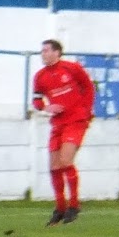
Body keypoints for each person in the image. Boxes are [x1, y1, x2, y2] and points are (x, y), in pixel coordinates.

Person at [32, 38, 95, 225]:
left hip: (75, 121)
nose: (43, 54)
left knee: (66, 161)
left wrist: (86, 111)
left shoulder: (71, 68)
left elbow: (88, 87)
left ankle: (74, 205)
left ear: (57, 52)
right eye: (42, 51)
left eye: (46, 50)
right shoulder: (40, 76)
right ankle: (60, 208)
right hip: (57, 123)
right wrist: (45, 107)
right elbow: (36, 100)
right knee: (54, 167)